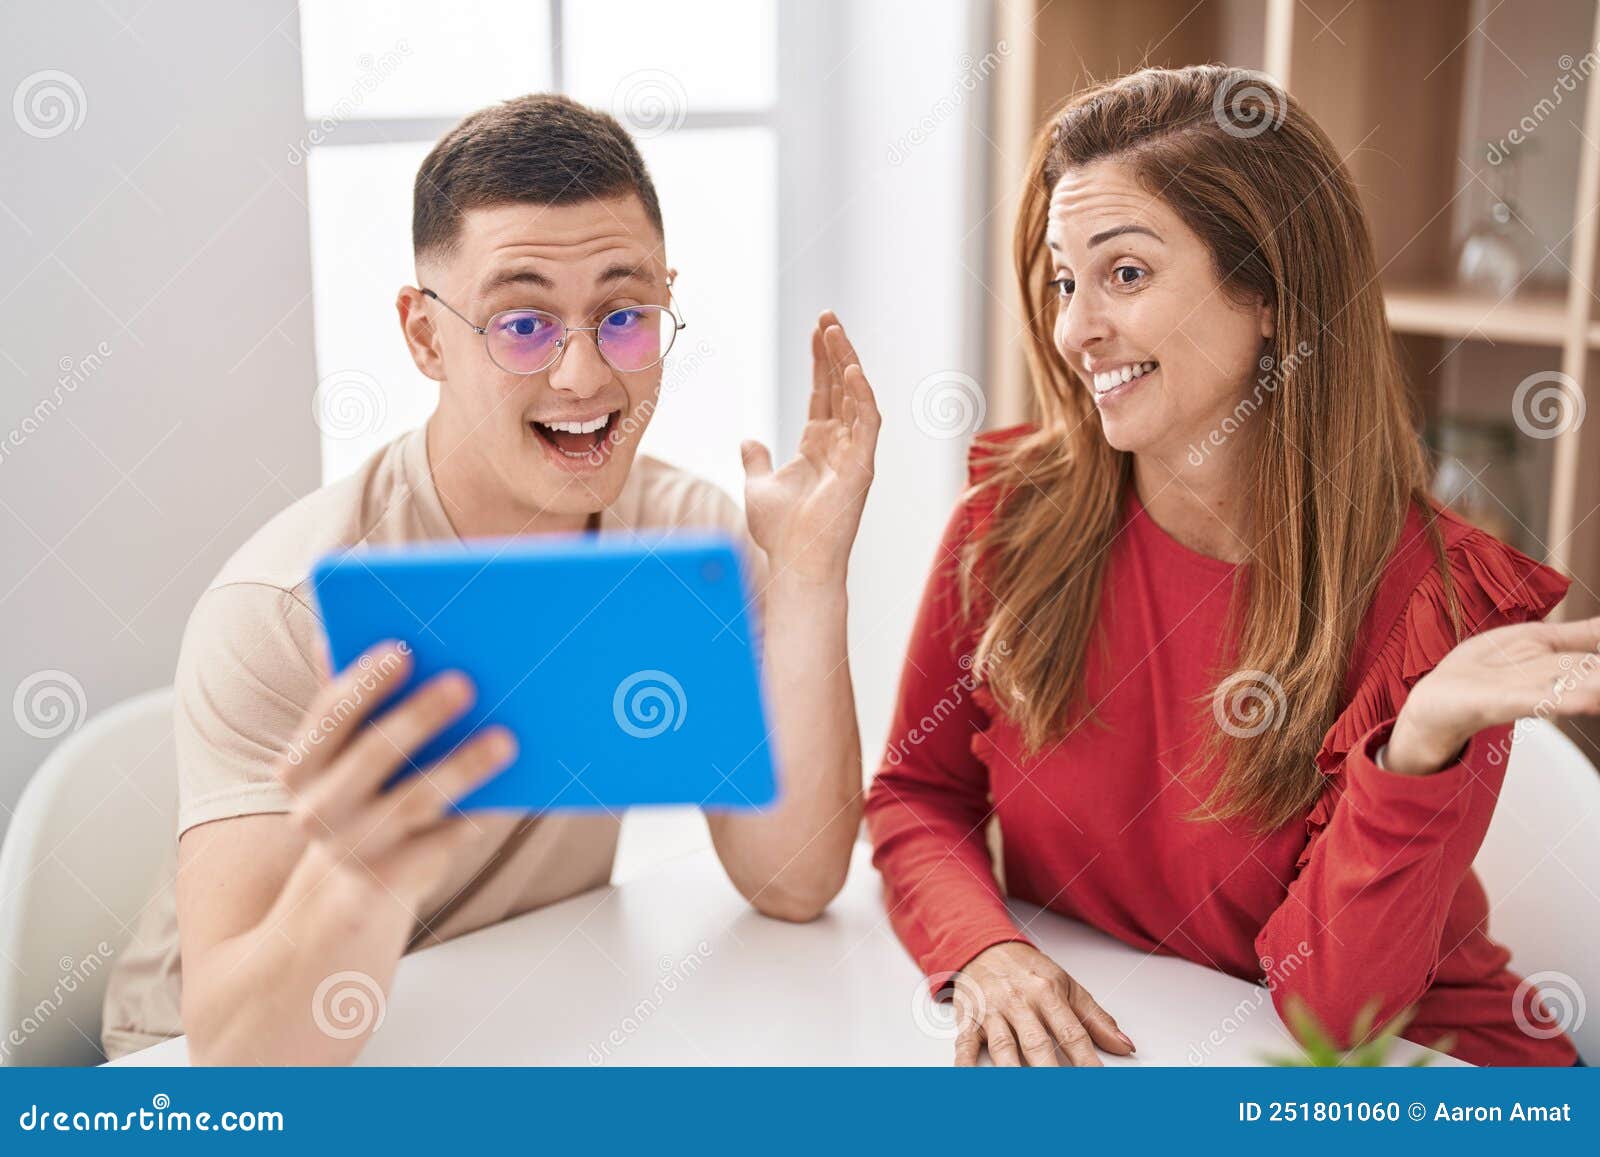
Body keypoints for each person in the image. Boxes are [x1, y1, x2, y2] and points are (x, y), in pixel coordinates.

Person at [102, 93, 879, 1063]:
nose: (583, 375)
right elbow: (240, 1054)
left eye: (623, 314)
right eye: (522, 324)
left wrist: (808, 577)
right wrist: (355, 872)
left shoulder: (682, 543)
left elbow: (794, 882)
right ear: (425, 336)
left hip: (499, 1017)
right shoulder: (284, 607)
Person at [865, 64, 1597, 1068]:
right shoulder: (1011, 521)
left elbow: (1330, 1015)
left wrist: (1415, 743)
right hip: (1150, 1046)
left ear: (1268, 295)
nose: (1076, 326)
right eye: (1064, 278)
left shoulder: (1432, 600)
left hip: (1423, 1075)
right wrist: (987, 948)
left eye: (1125, 274)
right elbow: (917, 793)